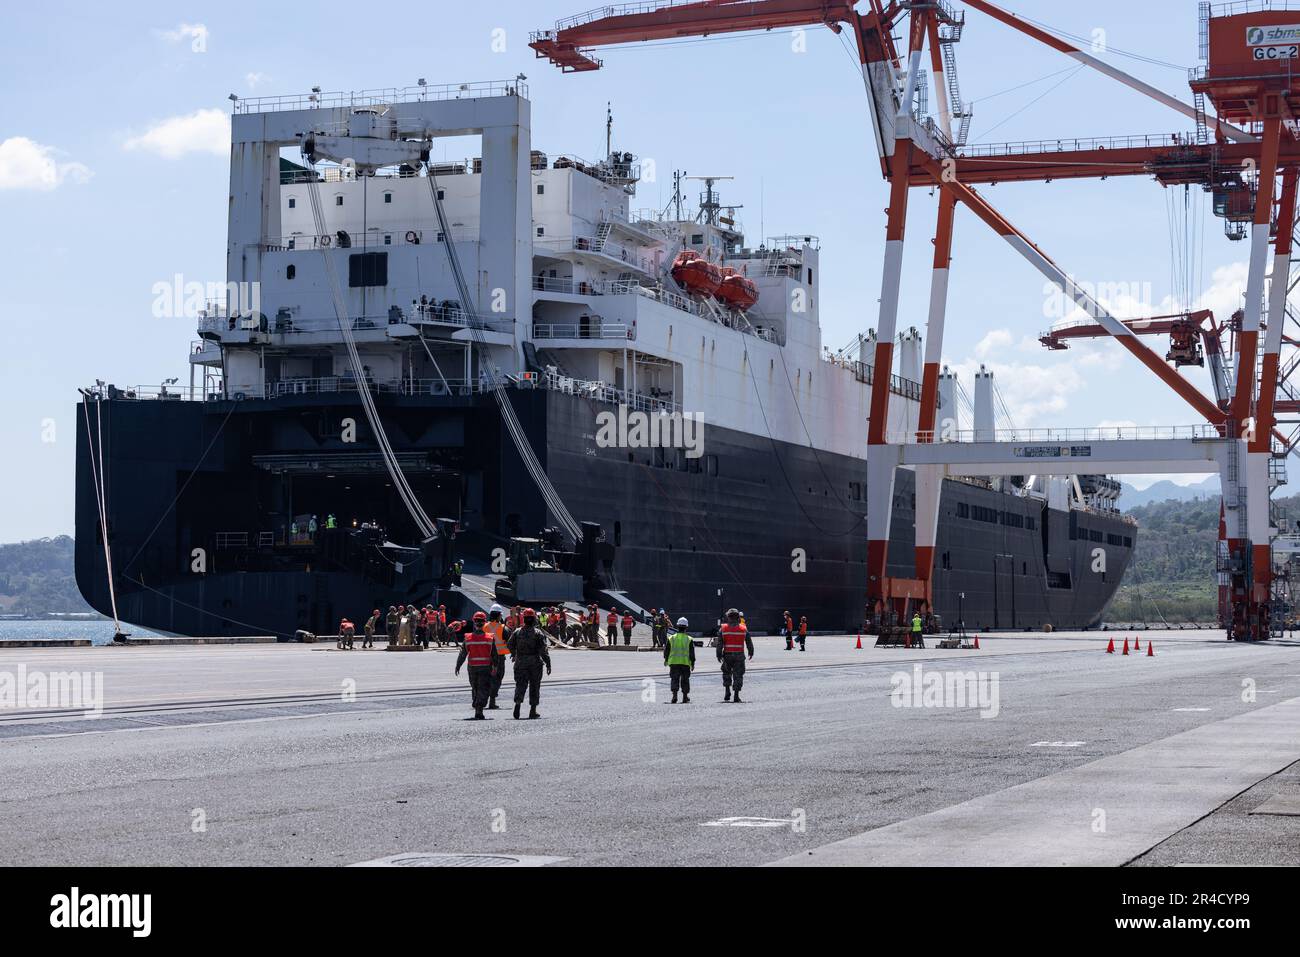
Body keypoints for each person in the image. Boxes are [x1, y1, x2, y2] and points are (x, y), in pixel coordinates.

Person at [507, 607, 552, 719]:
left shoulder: (517, 632)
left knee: (520, 684)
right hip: (535, 663)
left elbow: (509, 645)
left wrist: (514, 653)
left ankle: (518, 703)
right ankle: (533, 710)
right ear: (533, 619)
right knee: (534, 686)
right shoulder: (538, 633)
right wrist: (548, 663)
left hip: (520, 662)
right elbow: (543, 650)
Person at [454, 612, 500, 720]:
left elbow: (463, 654)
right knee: (483, 688)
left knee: (475, 688)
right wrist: (495, 666)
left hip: (472, 668)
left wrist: (458, 665)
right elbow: (494, 654)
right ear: (484, 623)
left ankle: (476, 707)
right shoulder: (490, 638)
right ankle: (479, 709)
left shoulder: (468, 637)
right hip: (485, 667)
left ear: (474, 622)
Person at [717, 607, 754, 702]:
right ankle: (736, 695)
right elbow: (749, 642)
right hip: (739, 655)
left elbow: (719, 644)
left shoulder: (723, 628)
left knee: (726, 673)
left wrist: (718, 654)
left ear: (728, 617)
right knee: (738, 675)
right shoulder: (743, 628)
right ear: (738, 617)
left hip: (727, 655)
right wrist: (751, 651)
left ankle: (727, 691)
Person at [665, 617, 696, 704]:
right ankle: (685, 697)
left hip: (674, 663)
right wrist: (693, 663)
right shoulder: (689, 639)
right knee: (685, 679)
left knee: (674, 679)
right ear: (686, 627)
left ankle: (674, 695)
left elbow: (666, 650)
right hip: (685, 663)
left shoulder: (671, 638)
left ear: (677, 626)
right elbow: (692, 653)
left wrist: (666, 659)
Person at [485, 604, 510, 711]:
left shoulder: (484, 626)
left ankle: (479, 700)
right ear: (499, 615)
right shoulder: (503, 628)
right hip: (499, 657)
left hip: (486, 657)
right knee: (497, 679)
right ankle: (492, 701)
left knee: (485, 679)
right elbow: (511, 642)